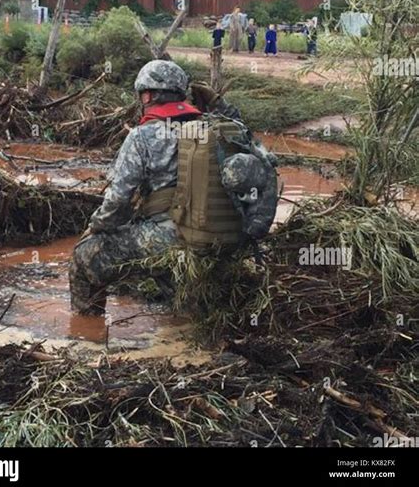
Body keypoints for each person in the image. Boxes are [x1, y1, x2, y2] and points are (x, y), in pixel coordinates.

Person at [70, 60, 278, 316]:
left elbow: (117, 201)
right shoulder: (216, 127)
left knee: (83, 258)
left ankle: (86, 333)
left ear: (147, 95)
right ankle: (184, 307)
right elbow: (258, 156)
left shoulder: (142, 136)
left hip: (172, 236)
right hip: (221, 236)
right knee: (181, 301)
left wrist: (96, 228)